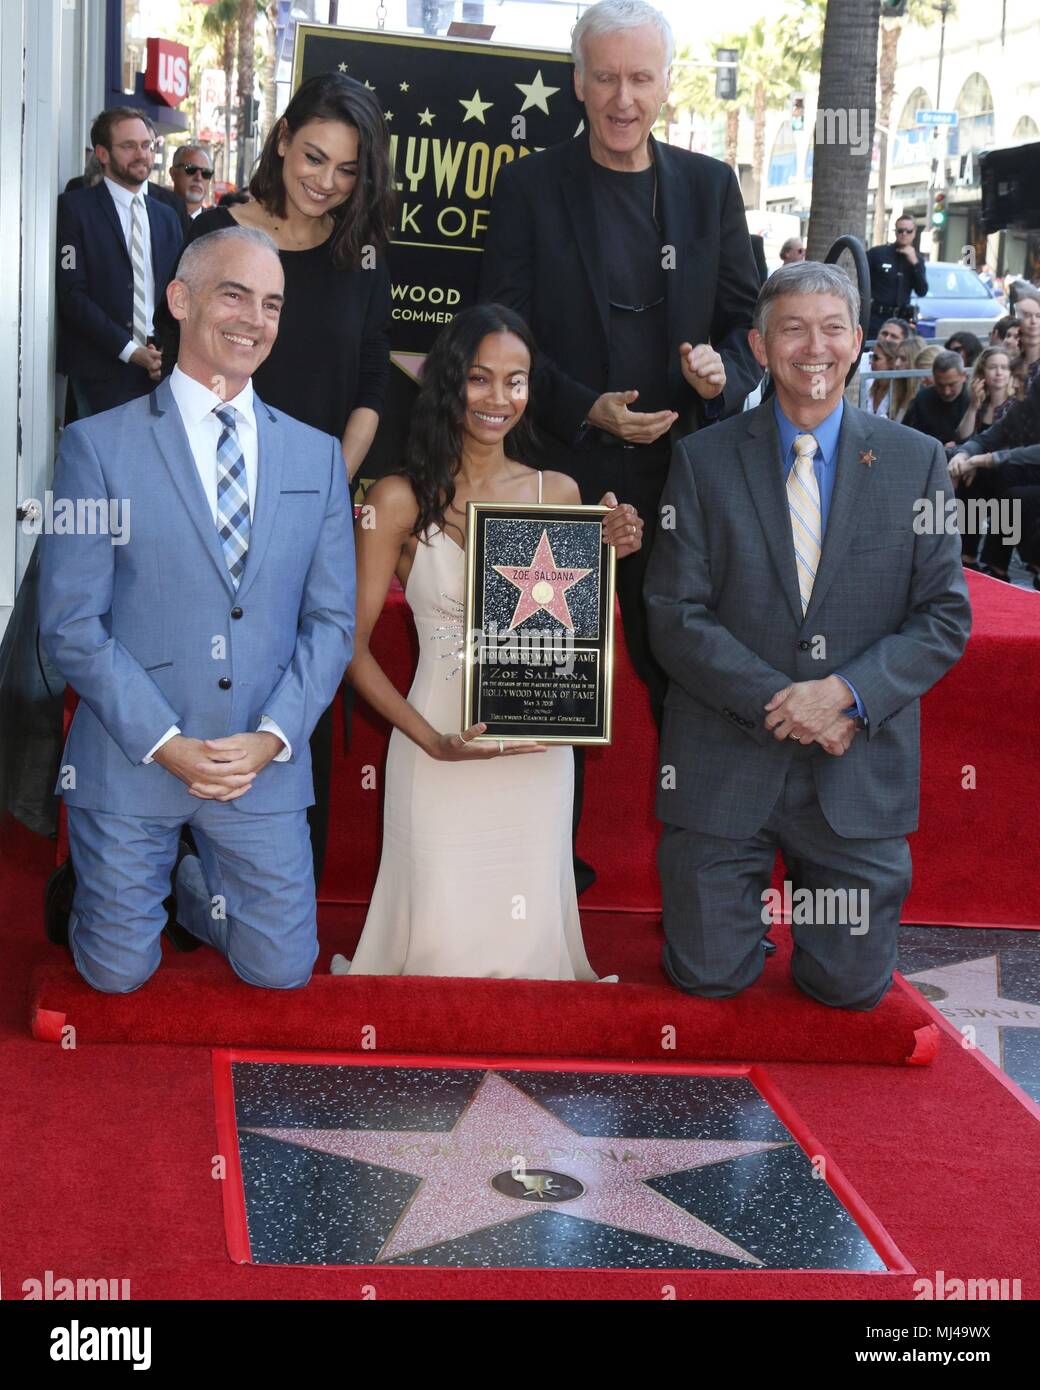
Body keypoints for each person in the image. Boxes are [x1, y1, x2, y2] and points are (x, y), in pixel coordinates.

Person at [479, 0, 761, 892]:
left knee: (694, 689)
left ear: (667, 85)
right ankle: (532, 885)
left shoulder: (710, 187)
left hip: (687, 485)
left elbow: (748, 322)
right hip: (557, 474)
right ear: (577, 81)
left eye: (641, 78)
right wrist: (584, 409)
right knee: (539, 684)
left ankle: (709, 890)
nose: (622, 98)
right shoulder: (528, 187)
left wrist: (721, 376)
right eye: (605, 77)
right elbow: (500, 327)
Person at [644, 261, 971, 1009]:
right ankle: (737, 924)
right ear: (760, 347)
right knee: (707, 976)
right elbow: (674, 611)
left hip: (854, 767)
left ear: (857, 342)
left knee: (849, 990)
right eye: (792, 329)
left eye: (831, 329)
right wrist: (787, 702)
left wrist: (845, 696)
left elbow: (943, 616)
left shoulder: (916, 461)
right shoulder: (701, 459)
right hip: (726, 762)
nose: (813, 347)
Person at [38, 226, 356, 993]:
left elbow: (332, 624)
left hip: (256, 764)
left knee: (280, 971)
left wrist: (273, 737)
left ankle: (187, 890)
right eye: (234, 295)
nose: (255, 320)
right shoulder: (94, 447)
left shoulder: (317, 457)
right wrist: (166, 741)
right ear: (180, 299)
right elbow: (71, 625)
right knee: (115, 975)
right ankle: (93, 890)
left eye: (272, 304)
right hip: (133, 755)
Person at [332, 305, 642, 980]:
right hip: (434, 747)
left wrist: (609, 552)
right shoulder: (396, 499)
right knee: (437, 959)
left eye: (516, 380)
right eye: (480, 377)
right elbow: (349, 648)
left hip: (536, 753)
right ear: (450, 380)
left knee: (525, 960)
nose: (498, 398)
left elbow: (577, 649)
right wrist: (431, 741)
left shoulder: (558, 493)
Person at [171, 73, 394, 892]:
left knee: (299, 674)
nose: (326, 181)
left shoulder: (360, 251)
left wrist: (321, 488)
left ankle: (280, 880)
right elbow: (179, 368)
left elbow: (373, 382)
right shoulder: (216, 233)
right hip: (207, 501)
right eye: (314, 157)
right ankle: (183, 871)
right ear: (282, 138)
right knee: (200, 669)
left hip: (310, 508)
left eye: (347, 169)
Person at [56, 107, 183, 417]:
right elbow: (72, 295)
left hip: (159, 368)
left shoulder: (167, 216)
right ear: (102, 153)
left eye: (146, 145)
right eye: (128, 146)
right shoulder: (74, 208)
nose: (141, 154)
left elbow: (180, 289)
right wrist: (130, 351)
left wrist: (165, 352)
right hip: (100, 371)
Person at [949, 371, 1040, 583]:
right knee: (977, 475)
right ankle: (967, 559)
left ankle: (1002, 566)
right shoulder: (1027, 408)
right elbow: (988, 438)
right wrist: (964, 456)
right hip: (1033, 471)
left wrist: (989, 459)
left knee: (1015, 498)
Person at [866, 215, 928, 341]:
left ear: (914, 233)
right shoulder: (877, 254)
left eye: (908, 231)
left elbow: (922, 291)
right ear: (895, 232)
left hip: (901, 320)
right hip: (876, 317)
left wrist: (915, 264)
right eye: (900, 230)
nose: (904, 234)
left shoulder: (917, 259)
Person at [901, 349, 970, 443]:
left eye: (952, 385)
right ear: (934, 377)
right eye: (940, 385)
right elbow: (910, 434)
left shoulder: (973, 398)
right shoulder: (923, 399)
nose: (946, 392)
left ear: (964, 376)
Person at [955, 345, 1014, 443]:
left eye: (1004, 368)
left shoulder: (1017, 404)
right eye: (992, 367)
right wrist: (973, 407)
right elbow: (962, 438)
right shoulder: (979, 401)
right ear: (982, 373)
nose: (999, 372)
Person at [170, 144, 214, 220]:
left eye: (206, 173)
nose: (199, 178)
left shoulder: (217, 224)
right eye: (191, 169)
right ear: (173, 173)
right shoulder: (154, 216)